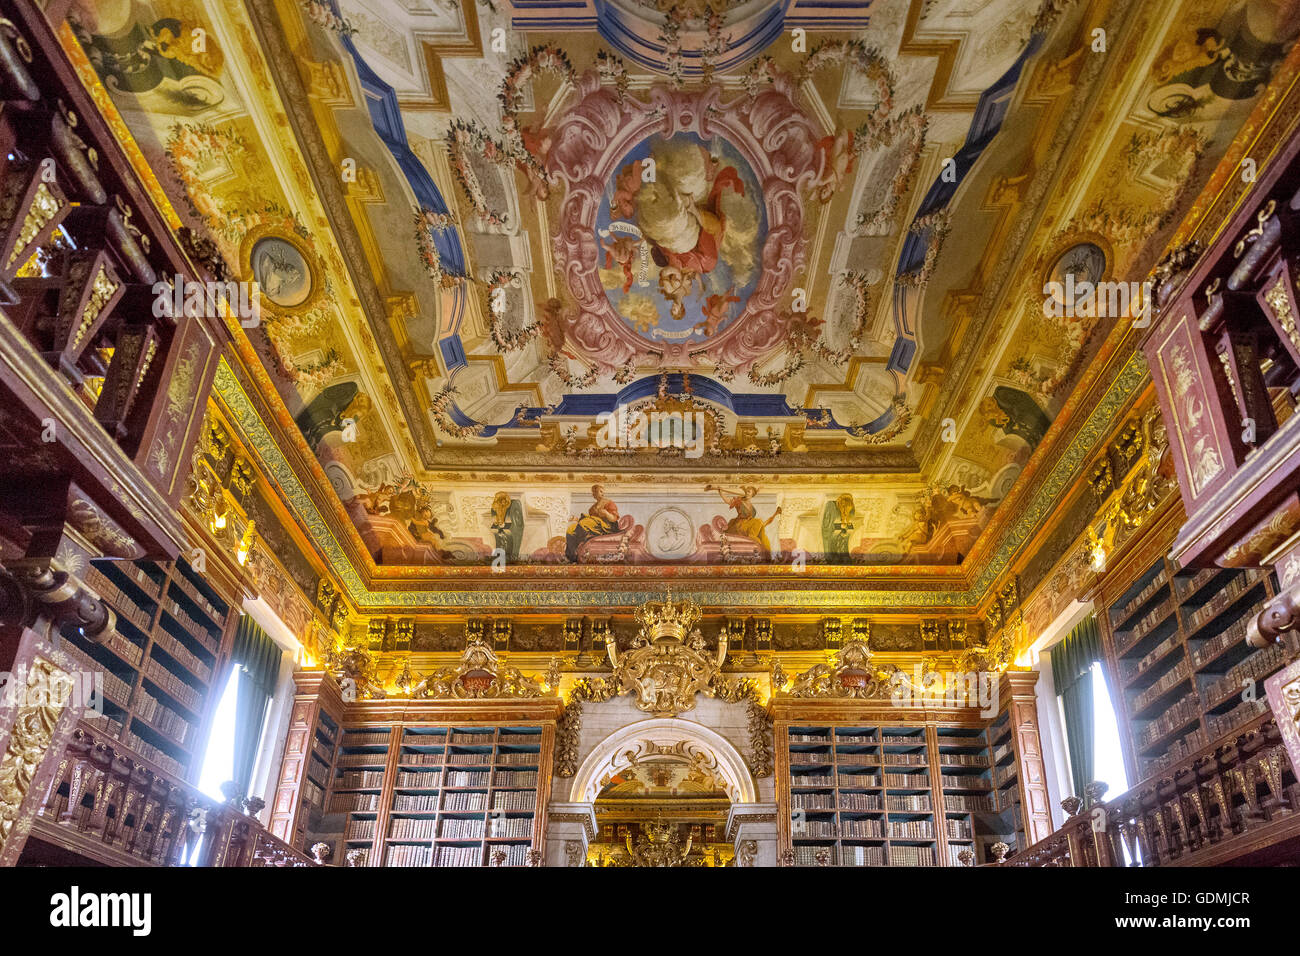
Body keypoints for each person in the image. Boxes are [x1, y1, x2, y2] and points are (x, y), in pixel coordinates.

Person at [705, 483, 781, 557]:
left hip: (748, 524)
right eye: (746, 491)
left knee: (761, 531)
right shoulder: (740, 501)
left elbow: (765, 523)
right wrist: (721, 492)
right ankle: (756, 542)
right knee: (758, 524)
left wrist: (775, 514)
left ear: (752, 495)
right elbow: (728, 501)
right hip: (739, 525)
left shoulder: (752, 508)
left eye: (748, 491)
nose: (746, 493)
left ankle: (766, 554)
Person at [565, 484, 621, 562]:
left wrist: (606, 513)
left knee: (584, 524)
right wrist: (576, 519)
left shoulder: (609, 503)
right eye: (600, 491)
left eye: (602, 491)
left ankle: (581, 549)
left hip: (605, 527)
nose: (602, 493)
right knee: (570, 529)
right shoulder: (592, 508)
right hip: (593, 525)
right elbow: (589, 520)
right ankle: (571, 557)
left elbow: (614, 519)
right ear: (594, 493)